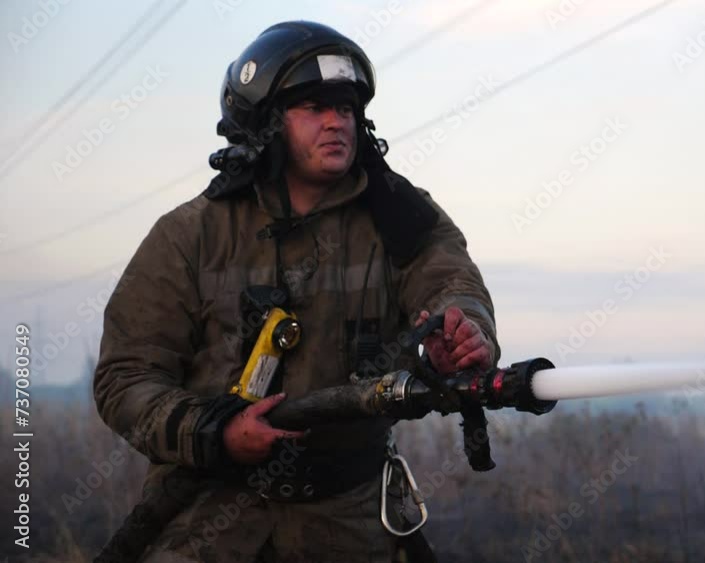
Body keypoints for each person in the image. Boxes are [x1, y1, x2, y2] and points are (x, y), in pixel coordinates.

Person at [93, 20, 499, 562]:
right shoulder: (191, 233)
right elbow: (125, 376)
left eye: (347, 108)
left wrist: (463, 334)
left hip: (351, 523)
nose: (337, 122)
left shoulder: (402, 217)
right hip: (205, 519)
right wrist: (215, 432)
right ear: (265, 125)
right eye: (313, 107)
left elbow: (452, 283)